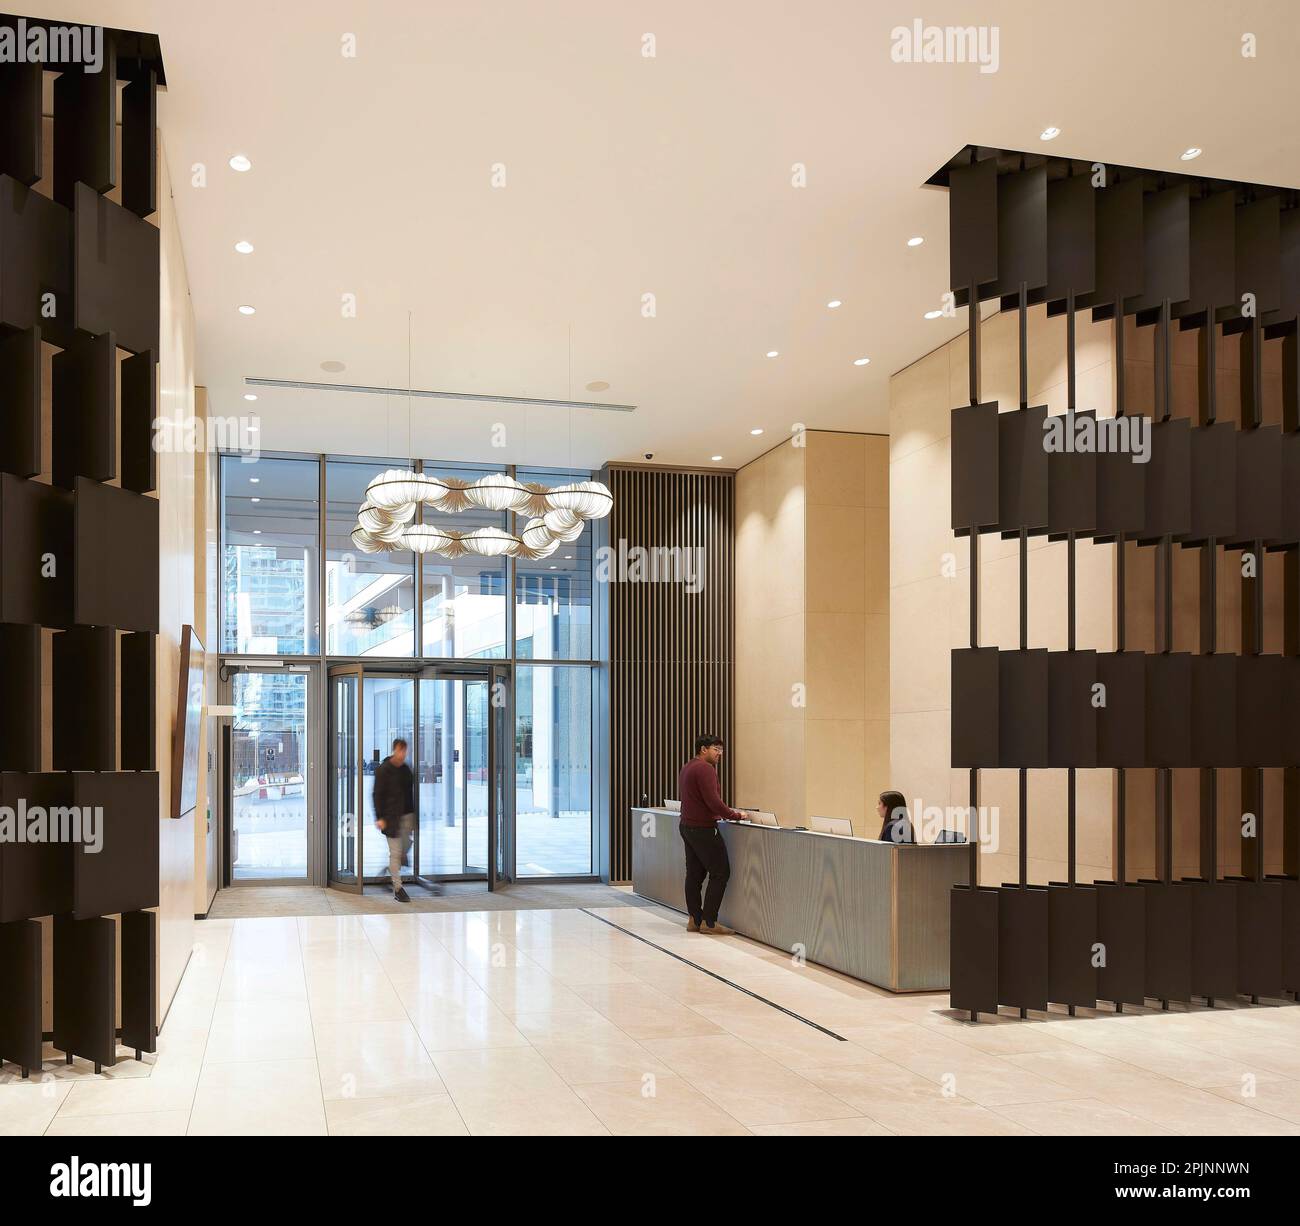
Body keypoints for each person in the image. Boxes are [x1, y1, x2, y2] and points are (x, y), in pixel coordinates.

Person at [678, 734, 745, 934]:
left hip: (687, 826)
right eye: (716, 749)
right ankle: (709, 922)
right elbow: (713, 801)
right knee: (721, 872)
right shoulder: (705, 769)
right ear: (703, 749)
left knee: (694, 875)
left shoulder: (688, 767)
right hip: (703, 828)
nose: (720, 754)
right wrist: (735, 815)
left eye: (721, 750)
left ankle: (694, 919)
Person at [373, 738, 415, 901]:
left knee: (403, 850)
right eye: (400, 750)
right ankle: (398, 889)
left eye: (405, 751)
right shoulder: (384, 770)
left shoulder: (406, 770)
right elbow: (377, 795)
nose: (403, 754)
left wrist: (413, 818)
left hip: (406, 817)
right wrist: (380, 817)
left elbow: (410, 795)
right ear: (394, 750)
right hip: (390, 819)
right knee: (396, 853)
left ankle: (391, 870)